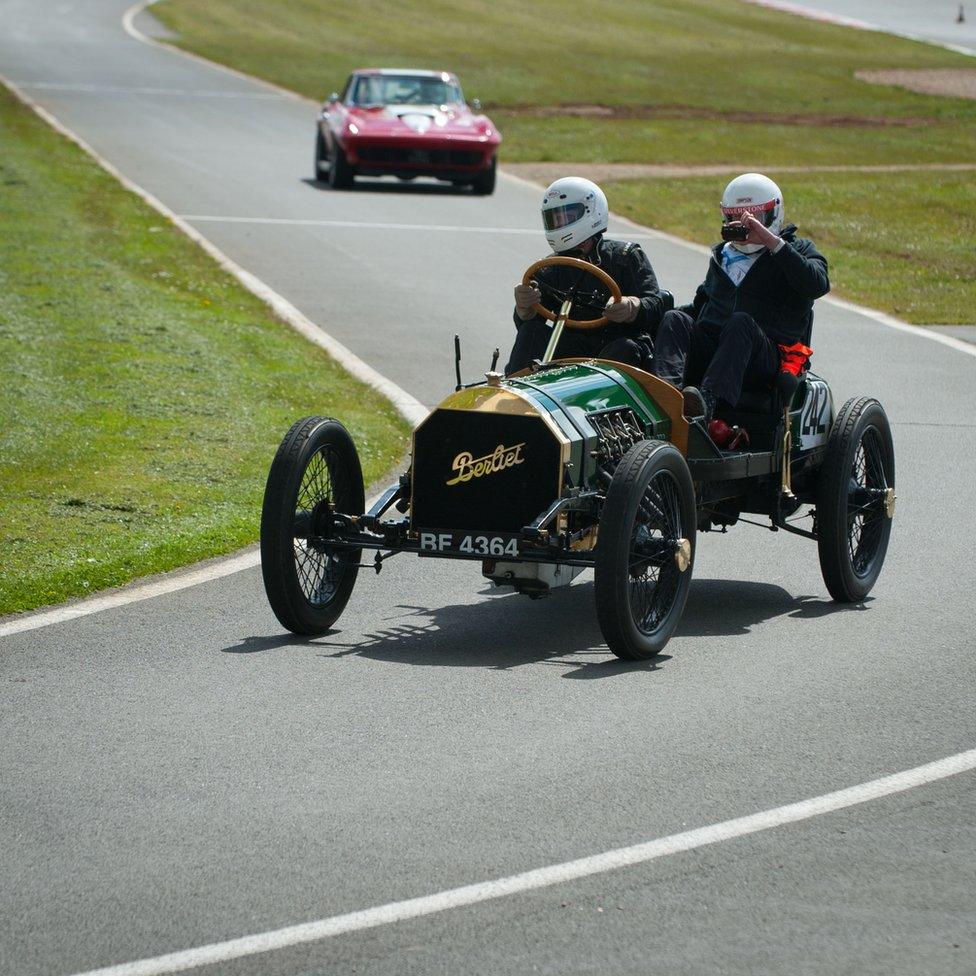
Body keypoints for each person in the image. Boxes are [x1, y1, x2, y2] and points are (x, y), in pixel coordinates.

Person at [651, 173, 829, 420]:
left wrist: (771, 242)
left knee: (740, 321)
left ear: (772, 214)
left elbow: (817, 285)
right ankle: (664, 395)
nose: (745, 224)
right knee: (674, 318)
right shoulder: (723, 256)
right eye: (736, 217)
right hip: (717, 350)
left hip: (764, 358)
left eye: (753, 217)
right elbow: (701, 305)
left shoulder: (797, 250)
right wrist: (652, 312)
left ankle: (707, 402)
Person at [505, 177, 673, 375]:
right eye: (555, 219)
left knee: (625, 347)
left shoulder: (625, 257)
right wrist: (524, 307)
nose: (559, 223)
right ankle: (513, 395)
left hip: (616, 345)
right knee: (530, 332)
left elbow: (657, 305)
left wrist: (632, 307)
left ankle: (603, 401)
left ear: (591, 211)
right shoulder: (552, 267)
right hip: (570, 346)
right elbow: (531, 323)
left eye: (566, 217)